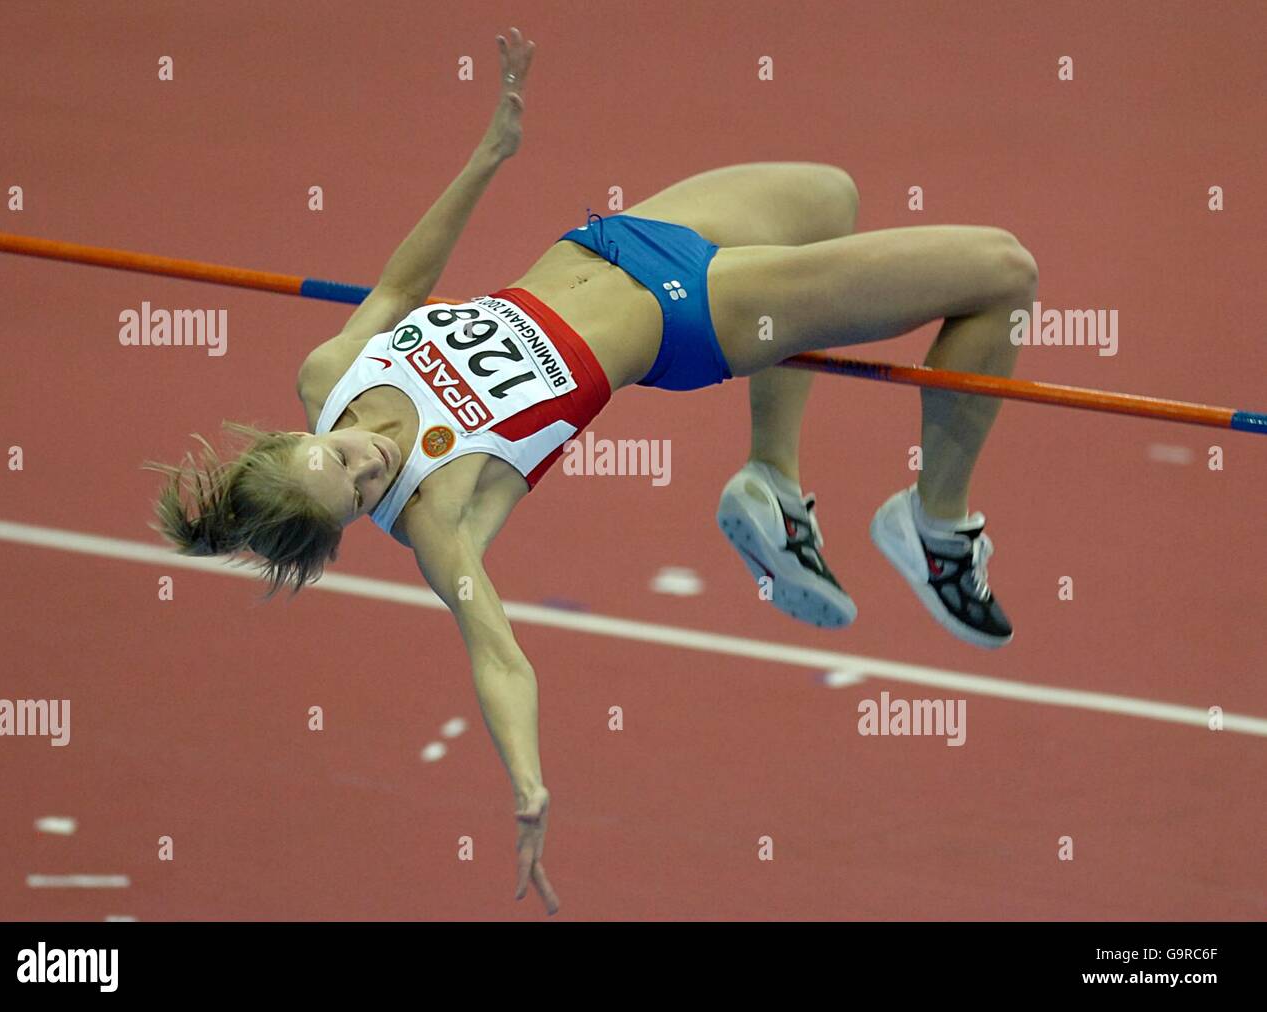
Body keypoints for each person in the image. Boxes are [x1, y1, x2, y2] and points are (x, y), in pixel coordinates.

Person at [149, 27, 1037, 914]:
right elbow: (498, 658)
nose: (369, 460)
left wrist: (490, 152)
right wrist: (528, 787)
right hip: (692, 314)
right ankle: (934, 524)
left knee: (831, 198)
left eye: (341, 453)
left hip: (620, 239)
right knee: (1002, 271)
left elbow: (397, 290)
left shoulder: (328, 376)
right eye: (363, 491)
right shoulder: (438, 520)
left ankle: (770, 478)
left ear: (296, 436)